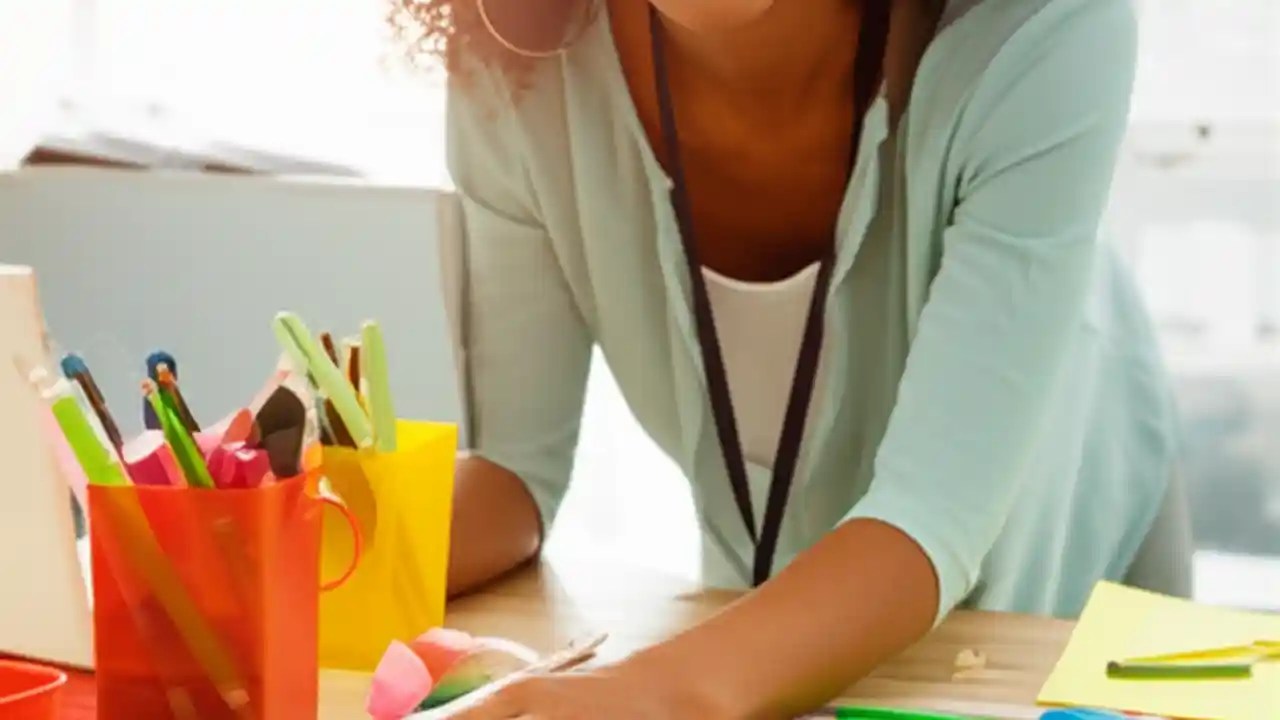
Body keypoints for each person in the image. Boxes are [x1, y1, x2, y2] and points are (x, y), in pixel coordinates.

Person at [406, 0, 1192, 716]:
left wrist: (644, 694)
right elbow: (513, 476)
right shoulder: (512, 58)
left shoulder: (1047, 28)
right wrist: (343, 534)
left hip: (1049, 621)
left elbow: (927, 521)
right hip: (767, 639)